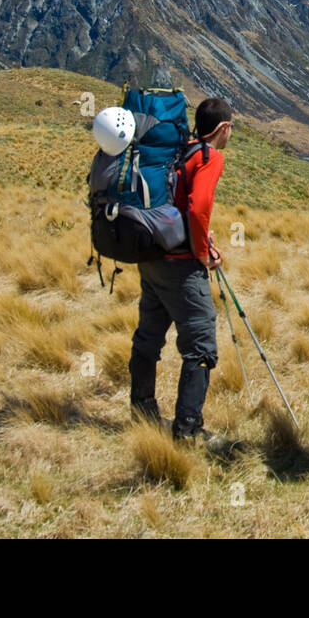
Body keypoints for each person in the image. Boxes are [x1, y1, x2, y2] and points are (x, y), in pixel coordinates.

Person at [128, 97, 233, 445]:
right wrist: (203, 253)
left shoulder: (178, 152)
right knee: (201, 344)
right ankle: (188, 429)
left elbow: (176, 206)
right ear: (223, 128)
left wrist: (200, 237)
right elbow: (198, 205)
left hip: (152, 257)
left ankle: (142, 411)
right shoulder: (209, 157)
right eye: (231, 126)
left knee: (149, 337)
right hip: (181, 267)